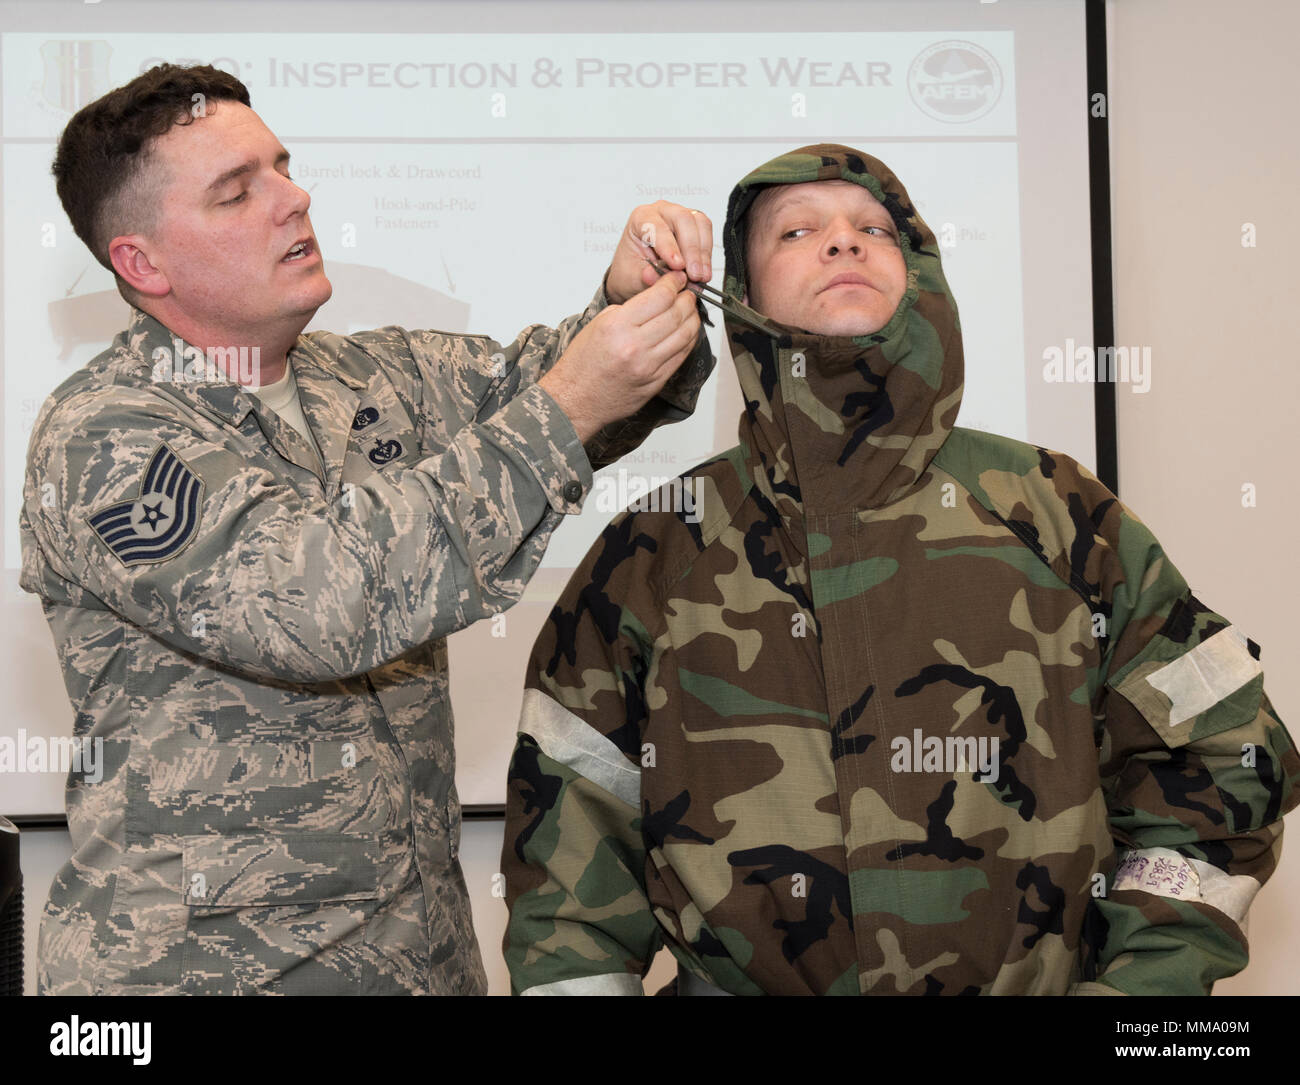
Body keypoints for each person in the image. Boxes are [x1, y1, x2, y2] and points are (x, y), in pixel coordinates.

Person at [499, 143, 1299, 996]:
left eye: (875, 227)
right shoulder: (653, 550)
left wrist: (1140, 1003)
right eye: (798, 231)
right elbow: (566, 881)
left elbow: (1223, 763)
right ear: (740, 296)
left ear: (918, 274)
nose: (842, 242)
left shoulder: (1060, 510)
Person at [19, 63, 716, 995]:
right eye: (238, 190)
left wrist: (625, 296)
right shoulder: (103, 431)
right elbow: (319, 604)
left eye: (282, 166)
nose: (294, 197)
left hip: (417, 957)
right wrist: (568, 400)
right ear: (143, 263)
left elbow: (554, 391)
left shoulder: (374, 377)